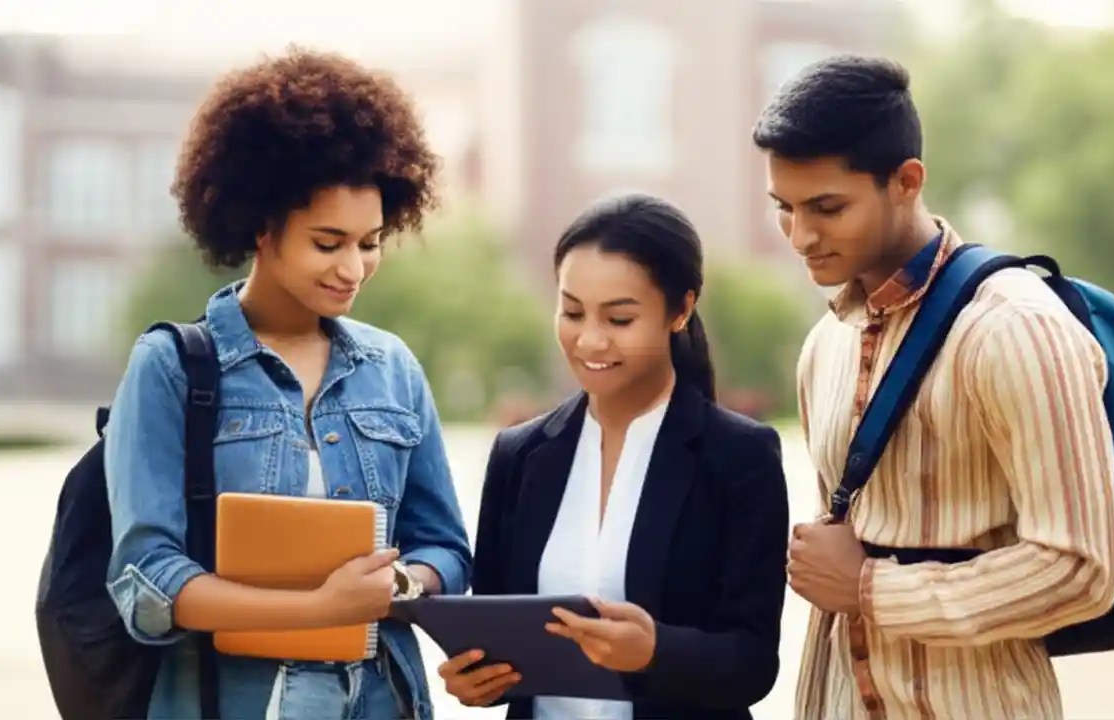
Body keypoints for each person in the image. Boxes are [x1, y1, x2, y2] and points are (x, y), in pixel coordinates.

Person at [104, 48, 472, 720]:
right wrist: (317, 610)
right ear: (261, 227)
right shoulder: (170, 366)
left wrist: (401, 582)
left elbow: (444, 547)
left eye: (371, 241)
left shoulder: (393, 369)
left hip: (381, 700)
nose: (354, 268)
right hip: (229, 701)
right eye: (328, 243)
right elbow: (146, 582)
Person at [753, 55, 1114, 719]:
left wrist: (870, 588)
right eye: (784, 208)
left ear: (906, 181)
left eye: (827, 208)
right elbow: (835, 593)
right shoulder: (824, 345)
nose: (801, 236)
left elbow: (1081, 569)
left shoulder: (1014, 328)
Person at [437, 193, 790, 719]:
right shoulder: (520, 455)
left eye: (620, 319)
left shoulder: (739, 456)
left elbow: (753, 661)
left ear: (681, 310)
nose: (590, 341)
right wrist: (477, 680)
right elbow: (498, 633)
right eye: (572, 312)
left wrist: (655, 652)